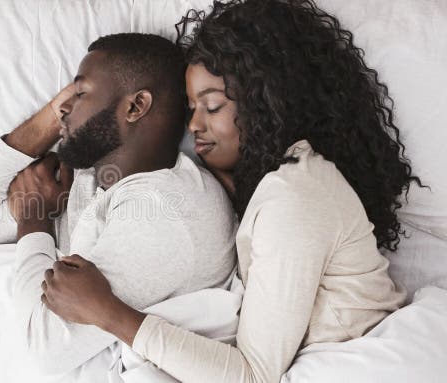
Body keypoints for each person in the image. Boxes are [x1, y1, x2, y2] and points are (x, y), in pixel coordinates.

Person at [40, 0, 425, 382]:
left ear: (268, 102)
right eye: (191, 108)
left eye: (212, 106)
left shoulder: (294, 199)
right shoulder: (273, 185)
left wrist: (110, 313)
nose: (194, 126)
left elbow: (253, 375)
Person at [0, 33, 238, 377]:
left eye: (80, 93)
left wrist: (34, 220)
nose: (63, 105)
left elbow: (44, 350)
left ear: (136, 107)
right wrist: (54, 122)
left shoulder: (169, 213)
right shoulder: (87, 178)